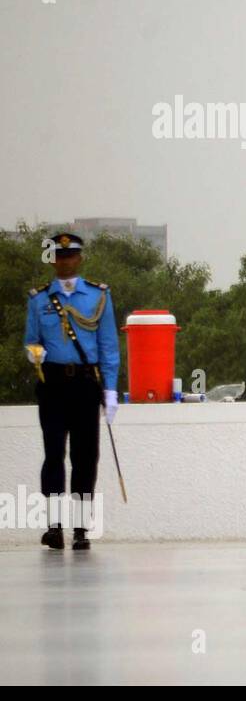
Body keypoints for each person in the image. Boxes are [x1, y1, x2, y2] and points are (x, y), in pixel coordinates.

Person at [23, 232, 120, 551]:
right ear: (53, 260)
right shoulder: (39, 300)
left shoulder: (98, 297)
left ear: (79, 259)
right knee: (53, 455)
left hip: (84, 384)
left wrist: (111, 390)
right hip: (52, 384)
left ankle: (80, 528)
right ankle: (54, 527)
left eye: (70, 256)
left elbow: (108, 346)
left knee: (85, 456)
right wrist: (33, 353)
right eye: (59, 257)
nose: (65, 262)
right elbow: (31, 339)